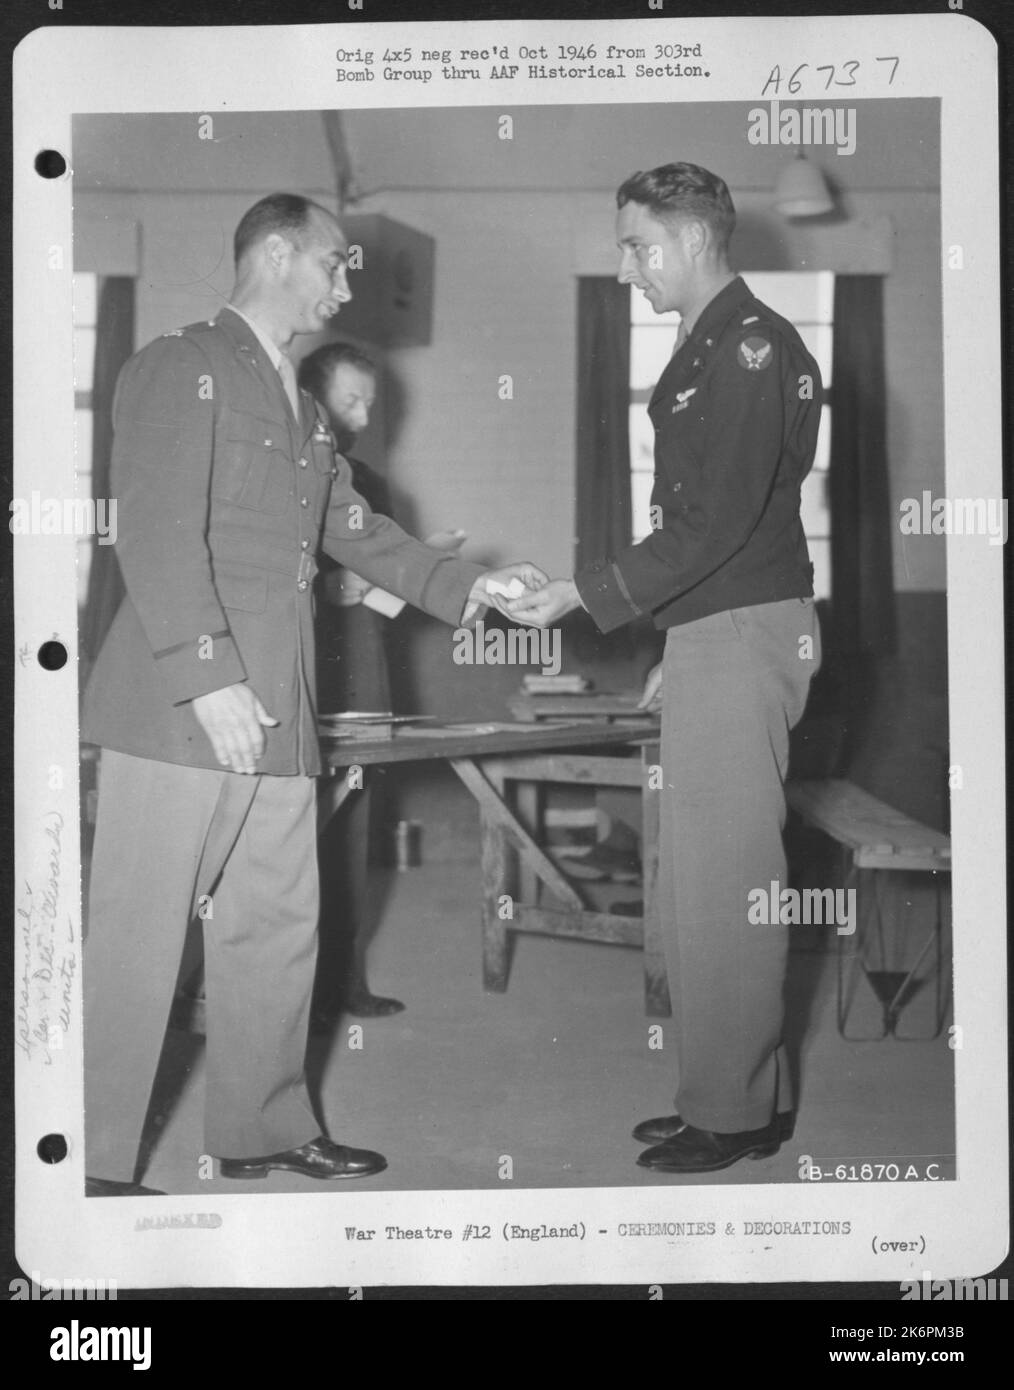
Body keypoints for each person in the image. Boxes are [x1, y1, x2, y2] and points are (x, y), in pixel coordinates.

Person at [80, 192, 544, 1196]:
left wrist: (472, 586)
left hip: (281, 709)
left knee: (277, 923)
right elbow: (154, 533)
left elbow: (358, 530)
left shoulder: (299, 400)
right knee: (138, 932)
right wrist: (208, 680)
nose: (347, 282)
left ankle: (261, 1125)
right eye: (337, 262)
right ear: (280, 253)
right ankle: (91, 1160)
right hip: (181, 709)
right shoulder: (184, 364)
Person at [507, 163, 822, 1175]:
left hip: (742, 626)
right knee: (699, 877)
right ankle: (736, 1095)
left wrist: (580, 593)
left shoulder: (749, 345)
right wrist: (676, 649)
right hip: (716, 628)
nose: (629, 266)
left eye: (639, 246)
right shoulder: (713, 344)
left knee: (727, 881)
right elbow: (712, 527)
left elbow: (718, 520)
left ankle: (729, 1117)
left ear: (691, 241)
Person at [300, 341, 462, 1019]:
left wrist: (415, 575)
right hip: (304, 667)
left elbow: (388, 590)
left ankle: (344, 982)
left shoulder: (370, 481)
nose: (363, 415)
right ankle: (288, 997)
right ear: (311, 399)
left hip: (361, 666)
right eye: (350, 399)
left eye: (370, 401)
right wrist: (337, 584)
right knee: (290, 835)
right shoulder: (284, 471)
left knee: (353, 829)